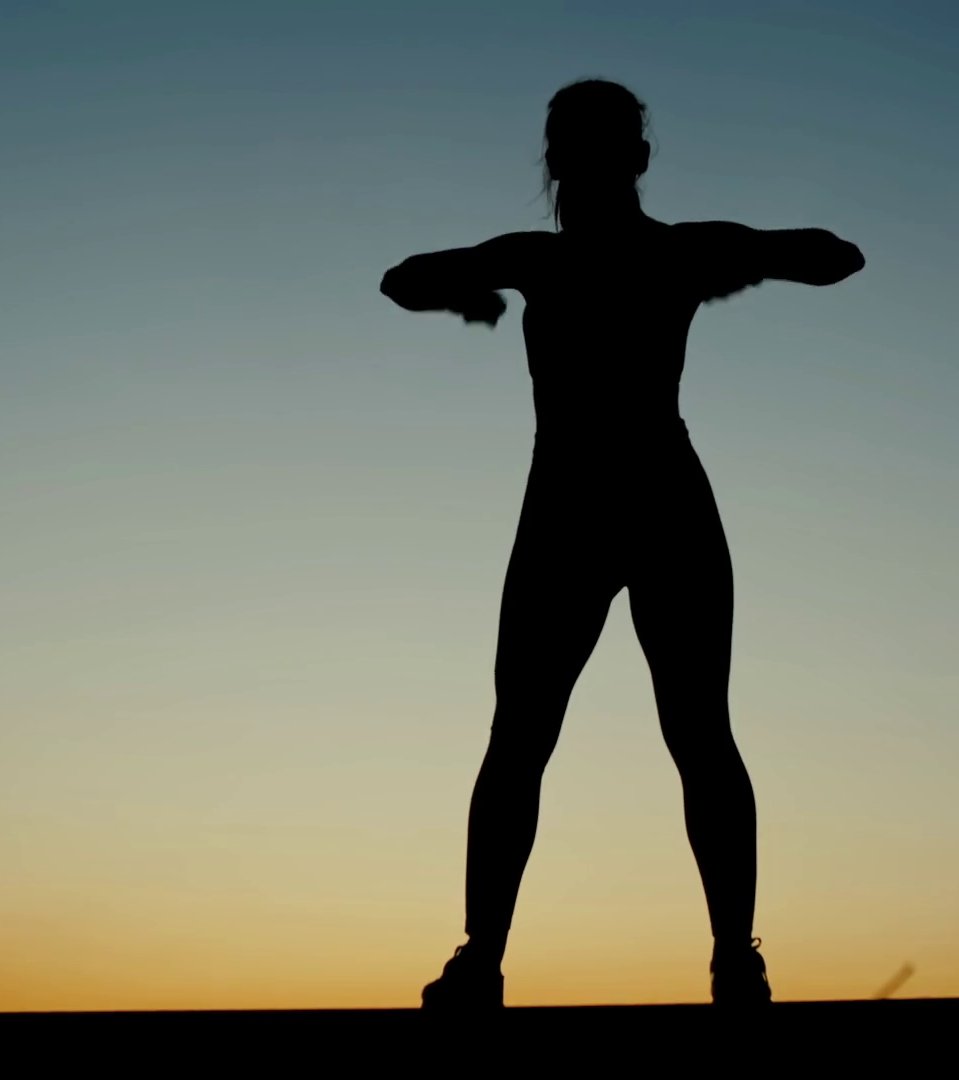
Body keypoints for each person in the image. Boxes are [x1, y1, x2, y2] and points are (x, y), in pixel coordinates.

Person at [379, 78, 864, 1008]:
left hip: (609, 504)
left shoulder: (573, 257)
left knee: (589, 736)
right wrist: (753, 254)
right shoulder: (610, 255)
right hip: (614, 504)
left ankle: (522, 958)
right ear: (619, 159)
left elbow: (835, 257)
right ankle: (699, 957)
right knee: (617, 735)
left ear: (582, 160)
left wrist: (753, 254)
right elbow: (405, 280)